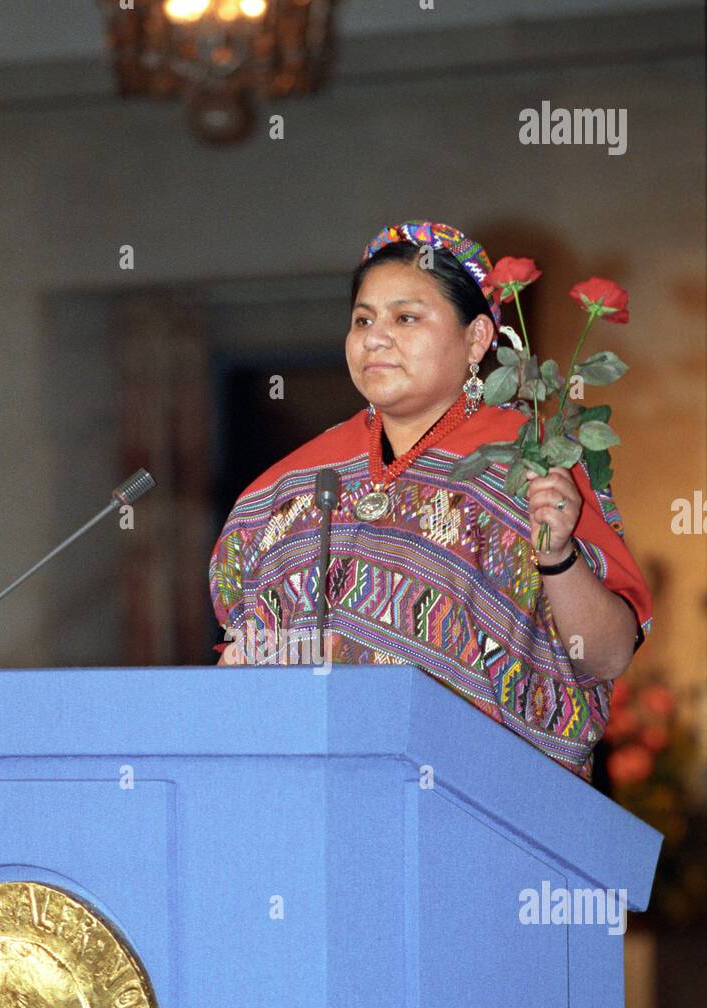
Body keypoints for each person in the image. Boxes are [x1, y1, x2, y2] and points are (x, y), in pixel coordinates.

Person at [208, 220, 652, 782]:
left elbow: (607, 656)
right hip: (306, 797)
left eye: (406, 317)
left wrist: (557, 554)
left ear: (477, 340)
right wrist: (252, 660)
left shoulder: (531, 461)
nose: (374, 337)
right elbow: (247, 655)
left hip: (484, 806)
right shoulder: (289, 484)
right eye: (363, 320)